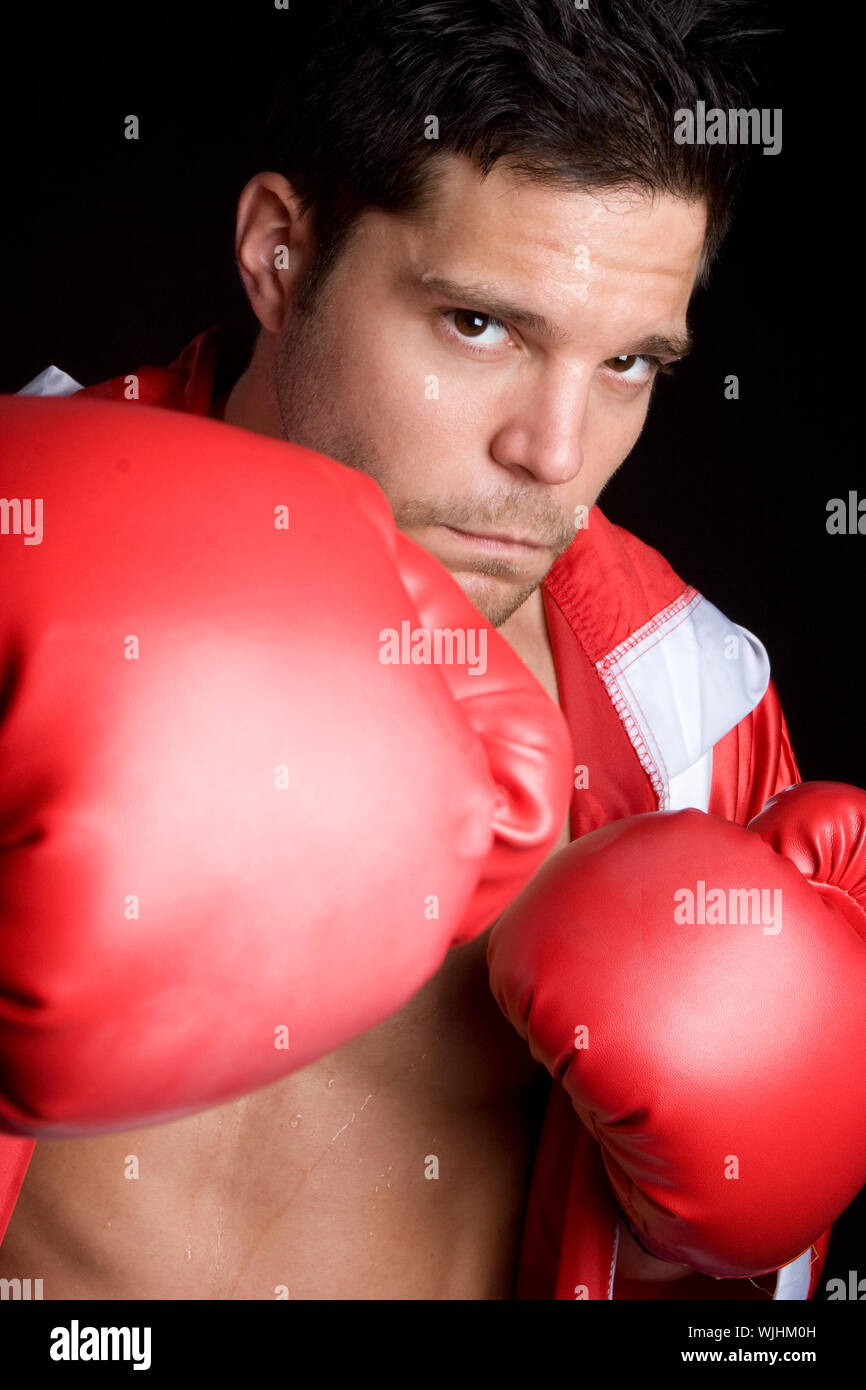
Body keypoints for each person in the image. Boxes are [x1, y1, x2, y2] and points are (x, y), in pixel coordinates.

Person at [1, 0, 861, 1301]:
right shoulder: (16, 541)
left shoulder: (686, 716)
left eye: (627, 362)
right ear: (281, 254)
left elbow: (735, 1293)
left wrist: (721, 1231)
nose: (552, 455)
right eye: (480, 327)